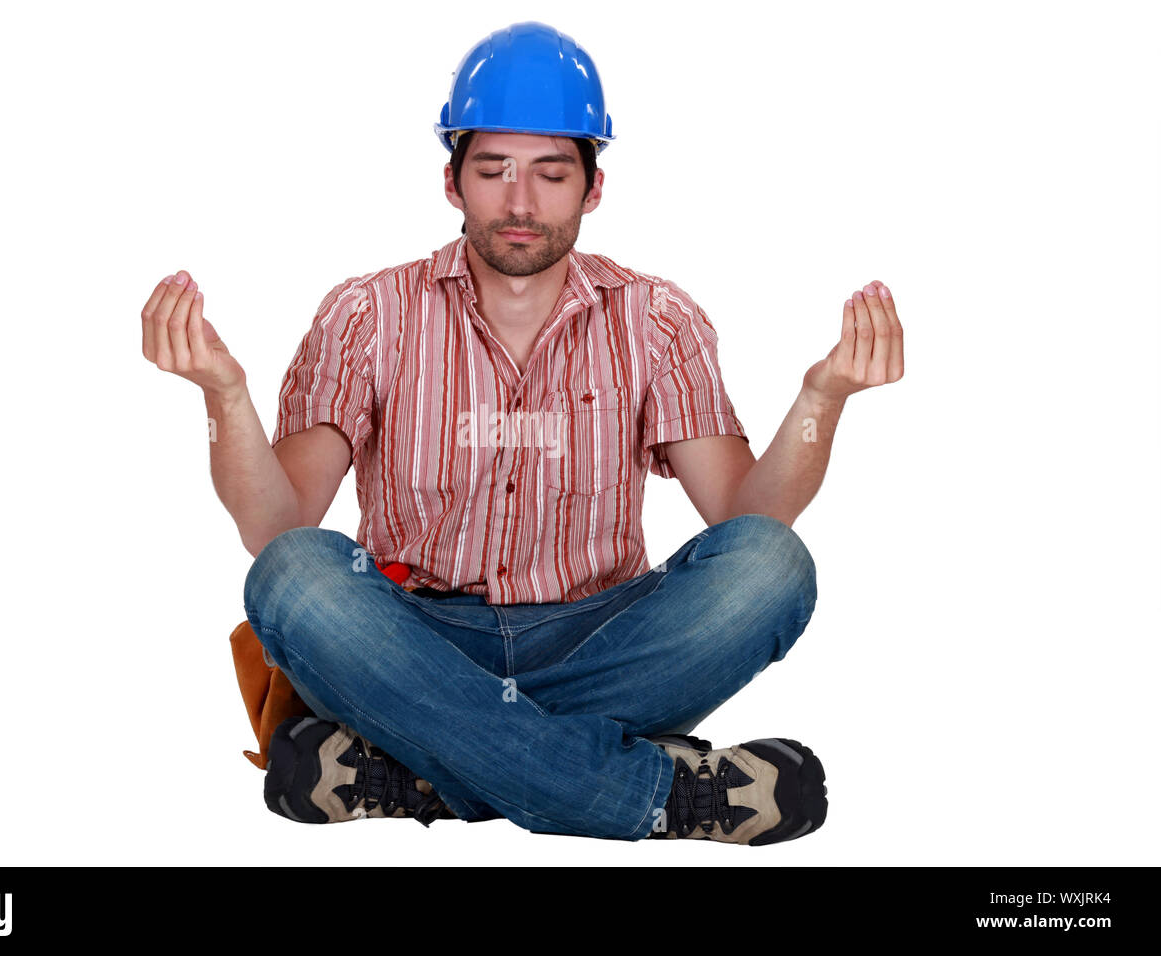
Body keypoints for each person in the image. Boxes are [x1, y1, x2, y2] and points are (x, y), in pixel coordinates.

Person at [139, 21, 904, 843]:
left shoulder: (657, 318)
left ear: (592, 187)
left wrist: (823, 398)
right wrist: (225, 394)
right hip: (416, 639)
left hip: (603, 641)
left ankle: (422, 769)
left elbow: (746, 519)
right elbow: (276, 526)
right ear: (452, 181)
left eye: (549, 173)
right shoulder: (367, 314)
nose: (519, 202)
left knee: (772, 566)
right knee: (293, 575)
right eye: (493, 169)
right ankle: (664, 794)